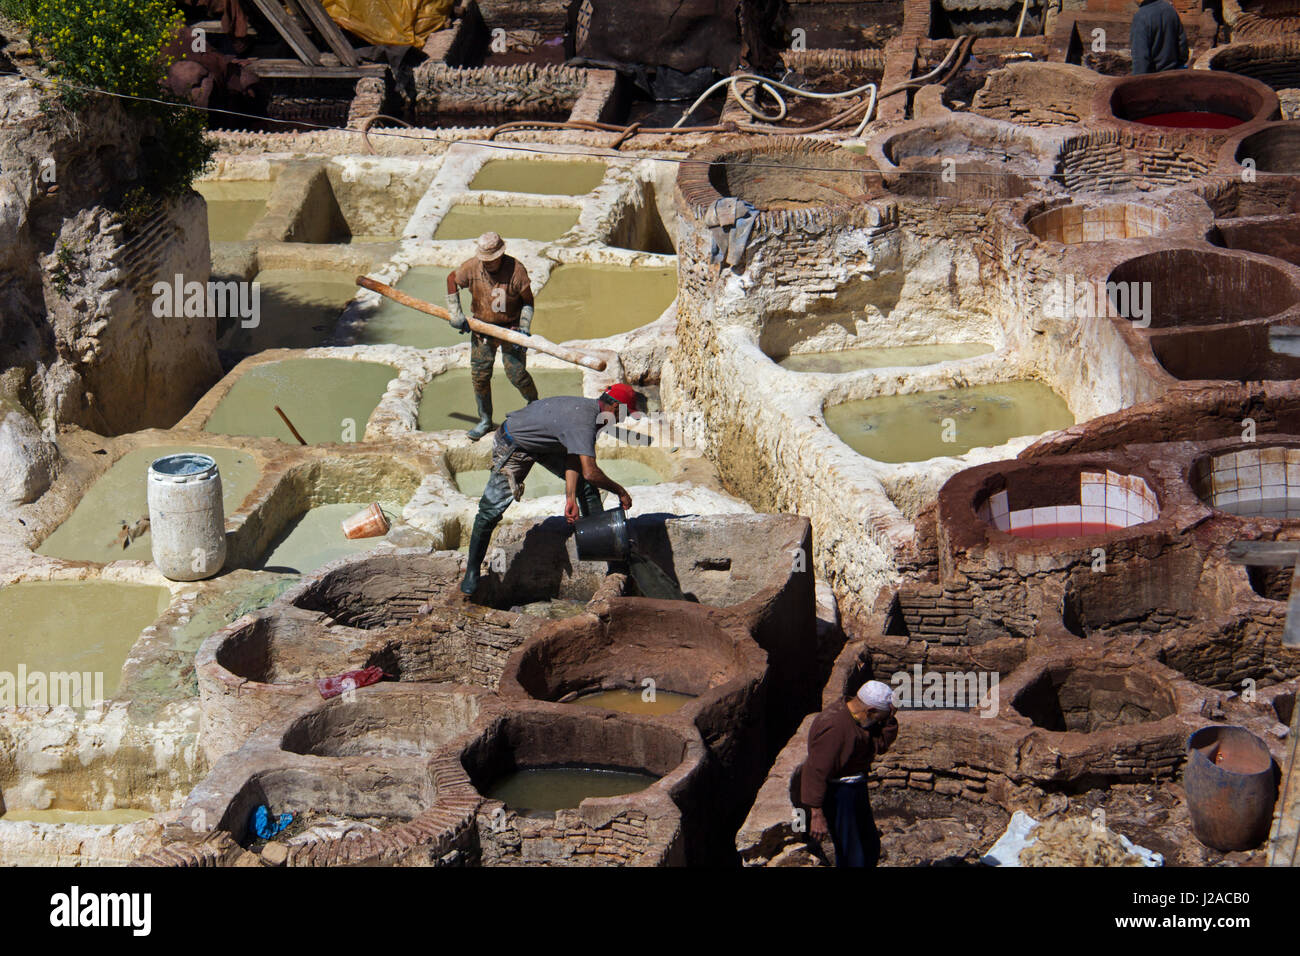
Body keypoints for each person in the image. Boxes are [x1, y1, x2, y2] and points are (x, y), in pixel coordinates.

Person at [460, 384, 641, 595]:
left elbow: (575, 457)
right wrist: (620, 491)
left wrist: (570, 497)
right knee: (489, 512)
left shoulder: (594, 413)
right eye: (625, 413)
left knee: (587, 488)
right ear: (614, 407)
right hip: (514, 443)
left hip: (544, 444)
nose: (623, 419)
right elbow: (591, 471)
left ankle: (609, 552)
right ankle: (472, 570)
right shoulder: (585, 421)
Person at [446, 232, 538, 440]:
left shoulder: (516, 270)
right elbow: (452, 279)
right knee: (480, 375)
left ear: (500, 256)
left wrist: (523, 326)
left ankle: (535, 405)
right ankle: (485, 420)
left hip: (510, 328)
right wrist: (456, 312)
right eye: (484, 260)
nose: (488, 264)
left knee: (516, 373)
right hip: (482, 329)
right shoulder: (471, 267)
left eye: (492, 260)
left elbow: (528, 301)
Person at [801, 679, 899, 868]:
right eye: (881, 718)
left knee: (869, 844)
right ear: (870, 711)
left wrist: (889, 721)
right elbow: (815, 770)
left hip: (855, 787)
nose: (880, 722)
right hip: (839, 794)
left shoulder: (859, 719)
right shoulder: (835, 727)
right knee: (851, 853)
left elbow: (878, 745)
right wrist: (816, 813)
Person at [1130, 0, 1189, 74]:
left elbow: (1140, 57)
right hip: (1172, 73)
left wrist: (1138, 81)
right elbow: (1182, 44)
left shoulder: (1141, 16)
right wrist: (1179, 64)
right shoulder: (1170, 10)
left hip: (1154, 77)